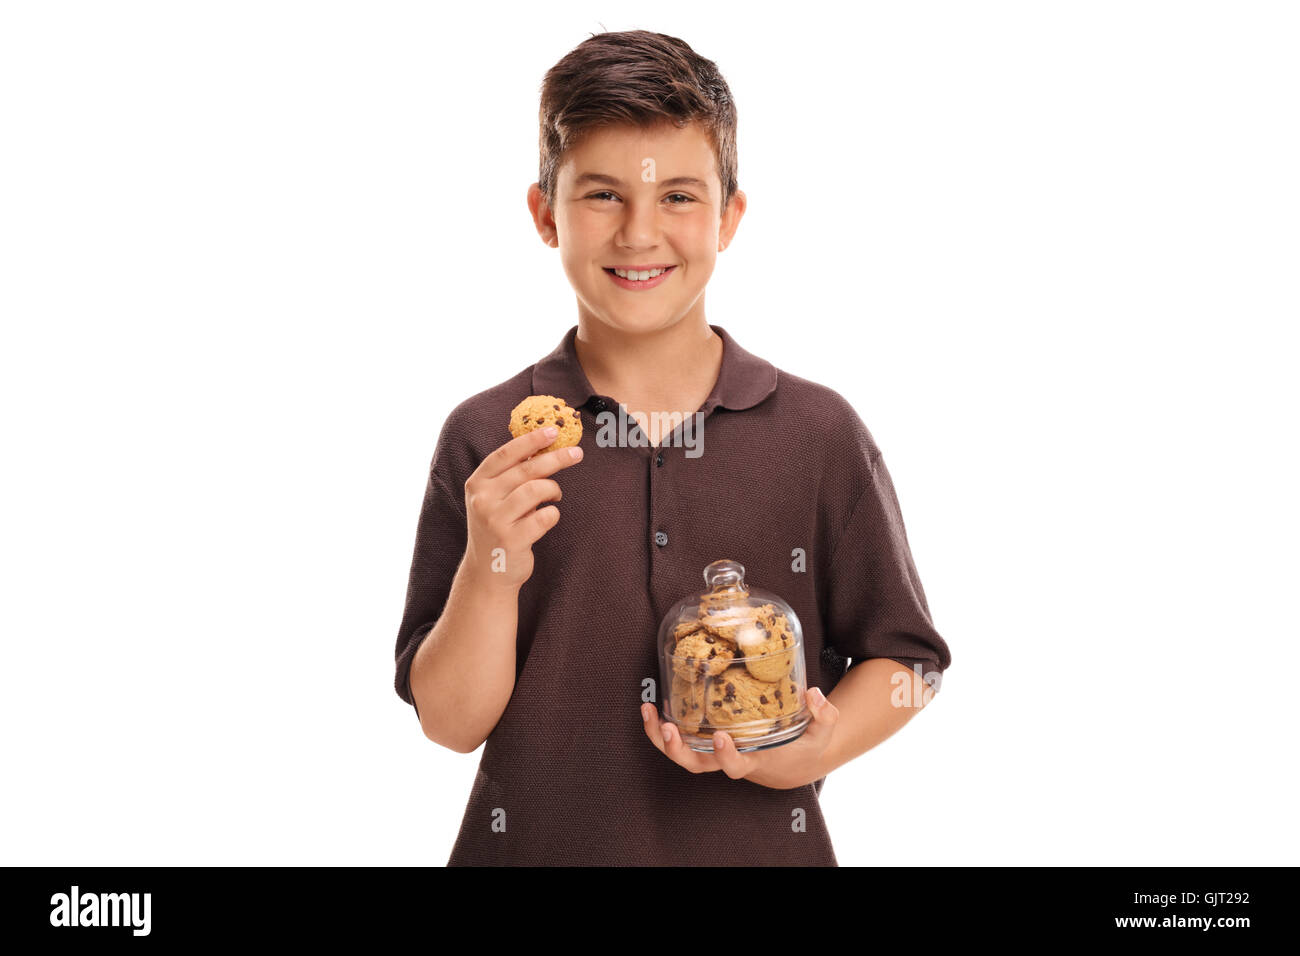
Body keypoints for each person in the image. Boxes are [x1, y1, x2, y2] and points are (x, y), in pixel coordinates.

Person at [393, 28, 952, 866]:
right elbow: (449, 722)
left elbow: (908, 663)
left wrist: (817, 751)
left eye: (680, 197)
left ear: (729, 217)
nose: (640, 233)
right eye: (603, 196)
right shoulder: (486, 438)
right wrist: (490, 564)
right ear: (546, 214)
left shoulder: (817, 434)